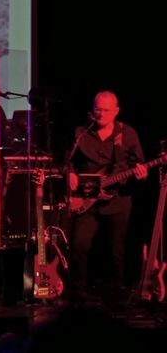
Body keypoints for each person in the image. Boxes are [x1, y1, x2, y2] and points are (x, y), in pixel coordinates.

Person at [67, 91, 148, 302]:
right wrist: (70, 174)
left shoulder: (127, 134)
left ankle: (116, 295)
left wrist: (141, 173)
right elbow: (68, 161)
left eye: (106, 110)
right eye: (97, 109)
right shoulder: (81, 133)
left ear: (116, 111)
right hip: (87, 200)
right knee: (79, 245)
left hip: (118, 201)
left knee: (115, 251)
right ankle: (78, 294)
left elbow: (139, 164)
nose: (101, 114)